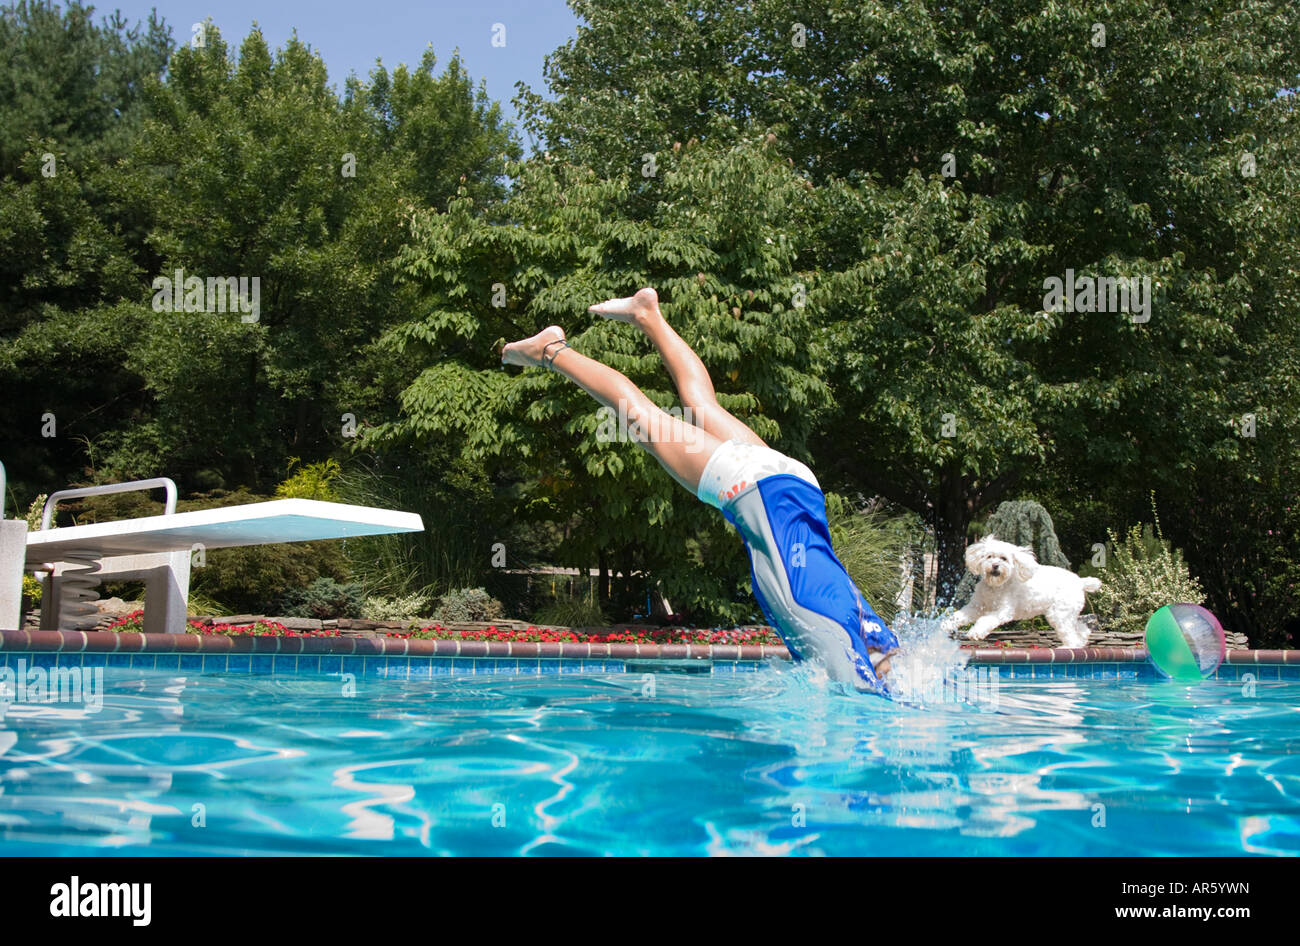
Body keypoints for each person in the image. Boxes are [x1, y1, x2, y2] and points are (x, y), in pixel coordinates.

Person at [501, 287, 901, 695]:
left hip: (797, 485)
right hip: (754, 490)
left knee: (703, 406)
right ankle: (550, 350)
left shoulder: (868, 626)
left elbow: (890, 670)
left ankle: (648, 315)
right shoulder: (846, 660)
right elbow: (865, 699)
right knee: (642, 417)